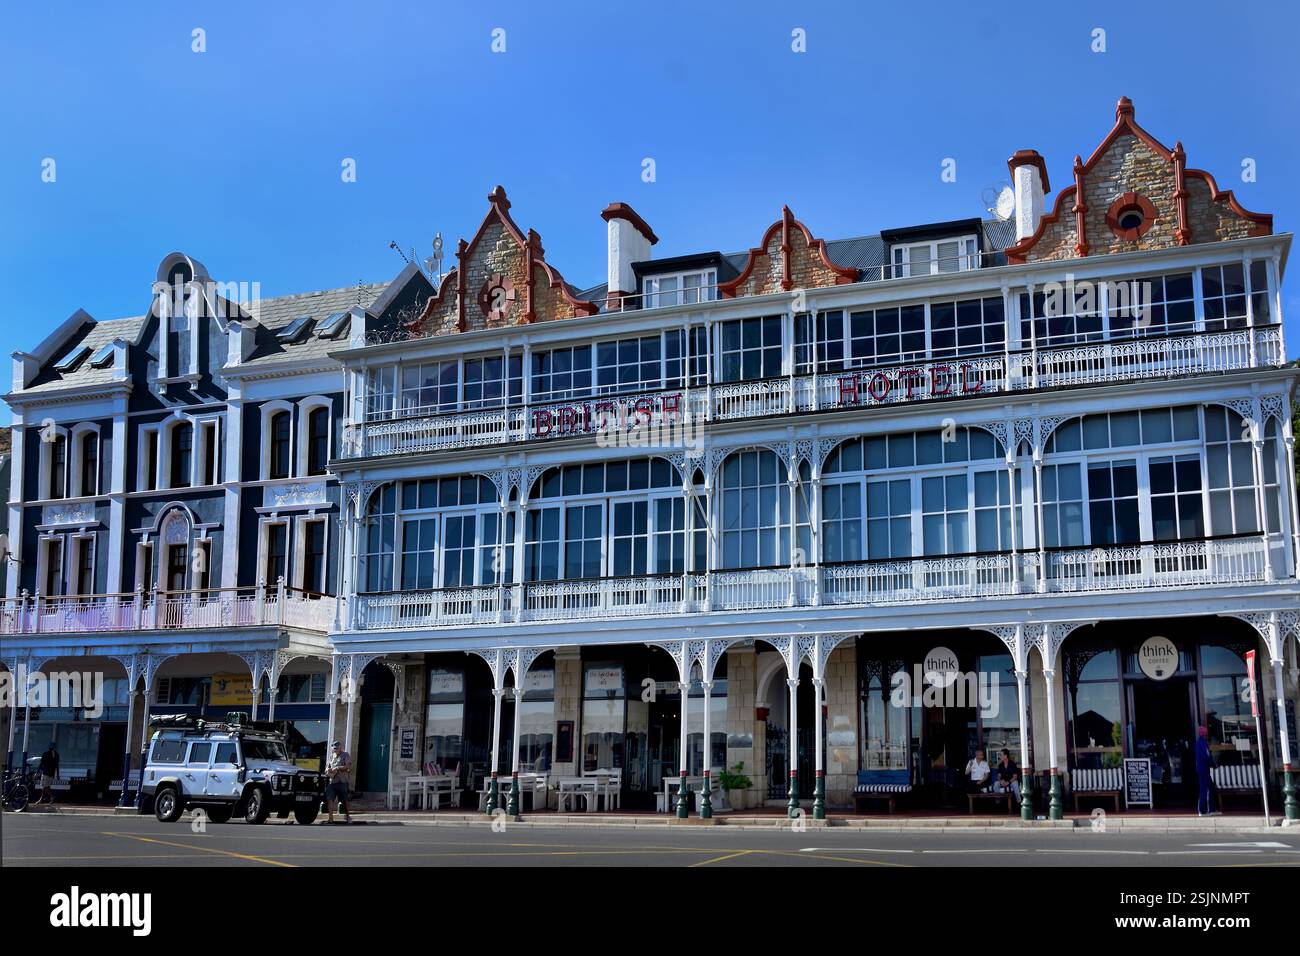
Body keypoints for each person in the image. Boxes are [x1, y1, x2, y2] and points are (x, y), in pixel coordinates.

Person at [324, 740, 353, 823]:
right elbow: (327, 767)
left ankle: (348, 817)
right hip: (332, 781)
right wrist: (328, 770)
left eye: (337, 748)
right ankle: (330, 819)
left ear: (340, 748)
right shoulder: (331, 756)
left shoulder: (345, 755)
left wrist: (337, 768)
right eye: (334, 748)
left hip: (342, 781)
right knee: (329, 798)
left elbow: (348, 766)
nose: (335, 749)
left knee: (344, 800)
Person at [1194, 726, 1216, 816]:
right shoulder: (1203, 743)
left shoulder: (1198, 743)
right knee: (1205, 788)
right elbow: (1206, 756)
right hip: (1204, 769)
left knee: (1210, 787)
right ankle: (1202, 810)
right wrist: (1213, 764)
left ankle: (1211, 809)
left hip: (1201, 768)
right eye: (1206, 733)